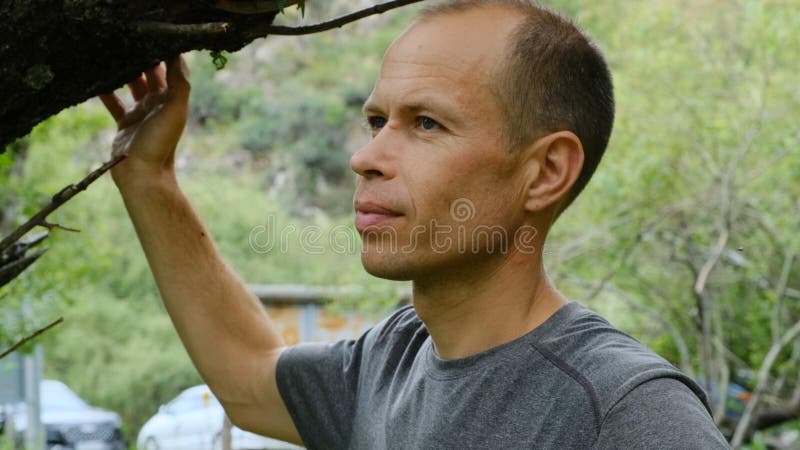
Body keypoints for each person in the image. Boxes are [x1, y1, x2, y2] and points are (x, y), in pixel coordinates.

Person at [100, 0, 729, 448]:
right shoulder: (393, 361)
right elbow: (246, 375)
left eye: (427, 123)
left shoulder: (622, 409)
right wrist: (149, 177)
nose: (366, 158)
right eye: (378, 122)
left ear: (545, 173)